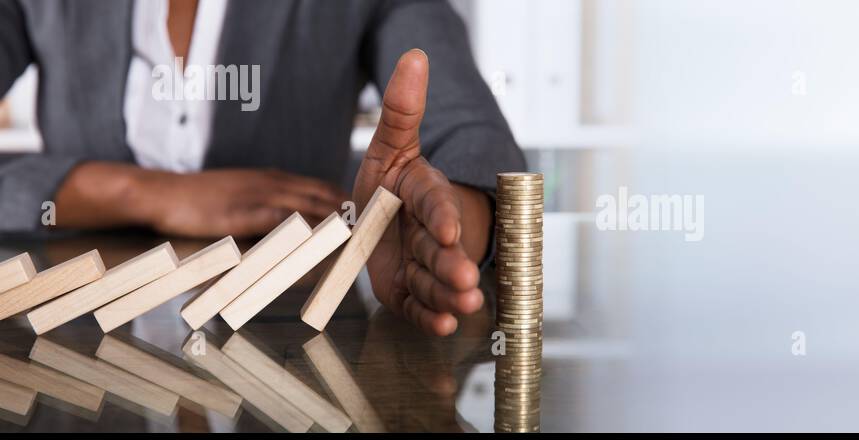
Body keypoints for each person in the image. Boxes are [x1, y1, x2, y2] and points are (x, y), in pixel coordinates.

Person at [0, 0, 526, 335]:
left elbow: (470, 129)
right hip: (78, 339)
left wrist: (450, 222)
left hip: (288, 333)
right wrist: (136, 191)